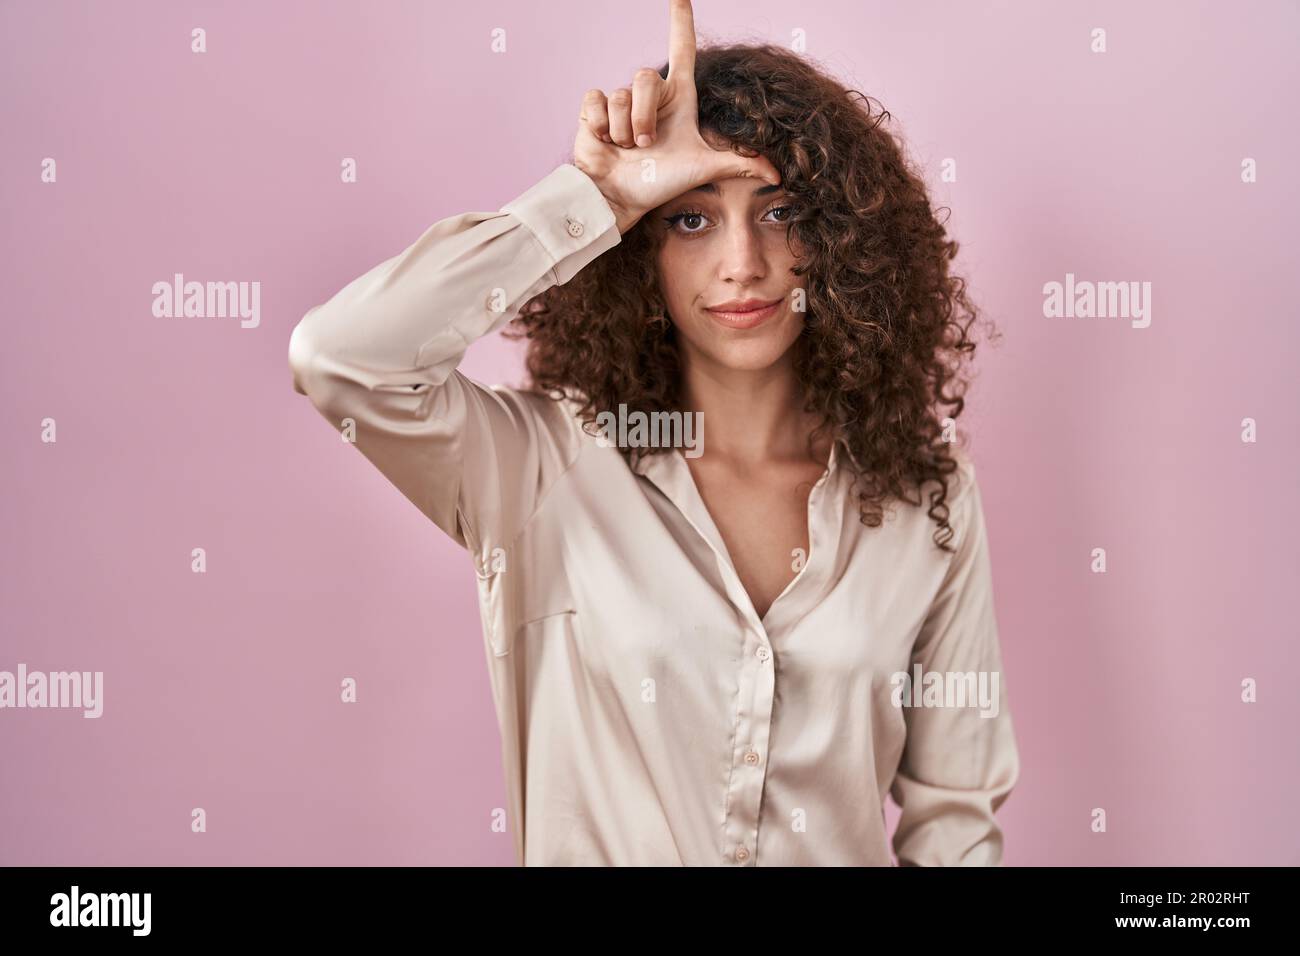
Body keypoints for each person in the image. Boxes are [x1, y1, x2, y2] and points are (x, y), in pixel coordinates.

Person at [287, 0, 1018, 866]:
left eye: (780, 212)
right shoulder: (543, 469)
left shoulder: (924, 495)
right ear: (639, 249)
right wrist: (593, 198)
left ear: (841, 243)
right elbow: (341, 361)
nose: (741, 264)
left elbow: (957, 821)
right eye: (691, 218)